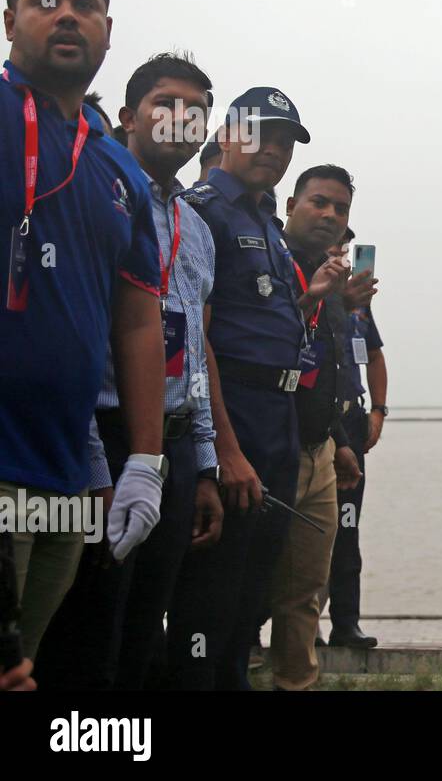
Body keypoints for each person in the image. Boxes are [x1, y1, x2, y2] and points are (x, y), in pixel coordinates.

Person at [36, 52, 236, 690]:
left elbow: (195, 354)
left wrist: (203, 465)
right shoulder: (90, 195)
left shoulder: (197, 231)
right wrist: (98, 464)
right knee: (85, 635)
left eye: (196, 112)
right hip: (101, 436)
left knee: (145, 639)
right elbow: (78, 338)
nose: (183, 121)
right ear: (127, 115)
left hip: (171, 450)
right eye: (167, 105)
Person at [0, 0, 165, 686]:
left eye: (86, 4)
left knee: (27, 664)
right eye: (46, 0)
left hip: (67, 477)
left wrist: (145, 462)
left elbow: (136, 321)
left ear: (107, 30)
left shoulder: (119, 169)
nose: (67, 15)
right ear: (10, 21)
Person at [165, 85, 324, 690]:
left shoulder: (265, 216)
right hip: (235, 414)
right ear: (228, 135)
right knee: (210, 599)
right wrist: (225, 452)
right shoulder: (202, 208)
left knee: (251, 597)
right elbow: (197, 341)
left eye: (286, 141)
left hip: (279, 419)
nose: (274, 149)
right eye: (261, 134)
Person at [272, 165, 362, 689]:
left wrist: (341, 442)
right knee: (242, 587)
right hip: (262, 447)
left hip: (320, 450)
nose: (329, 215)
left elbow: (325, 369)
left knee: (307, 590)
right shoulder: (268, 258)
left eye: (341, 208)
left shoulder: (332, 279)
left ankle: (294, 681)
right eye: (319, 202)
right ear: (290, 204)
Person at [324, 227, 386, 648]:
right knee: (299, 530)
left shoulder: (358, 306)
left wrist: (378, 411)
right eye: (334, 249)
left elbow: (376, 356)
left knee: (347, 530)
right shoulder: (302, 293)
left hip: (352, 422)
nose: (342, 257)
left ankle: (346, 624)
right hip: (309, 426)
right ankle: (283, 630)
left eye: (345, 249)